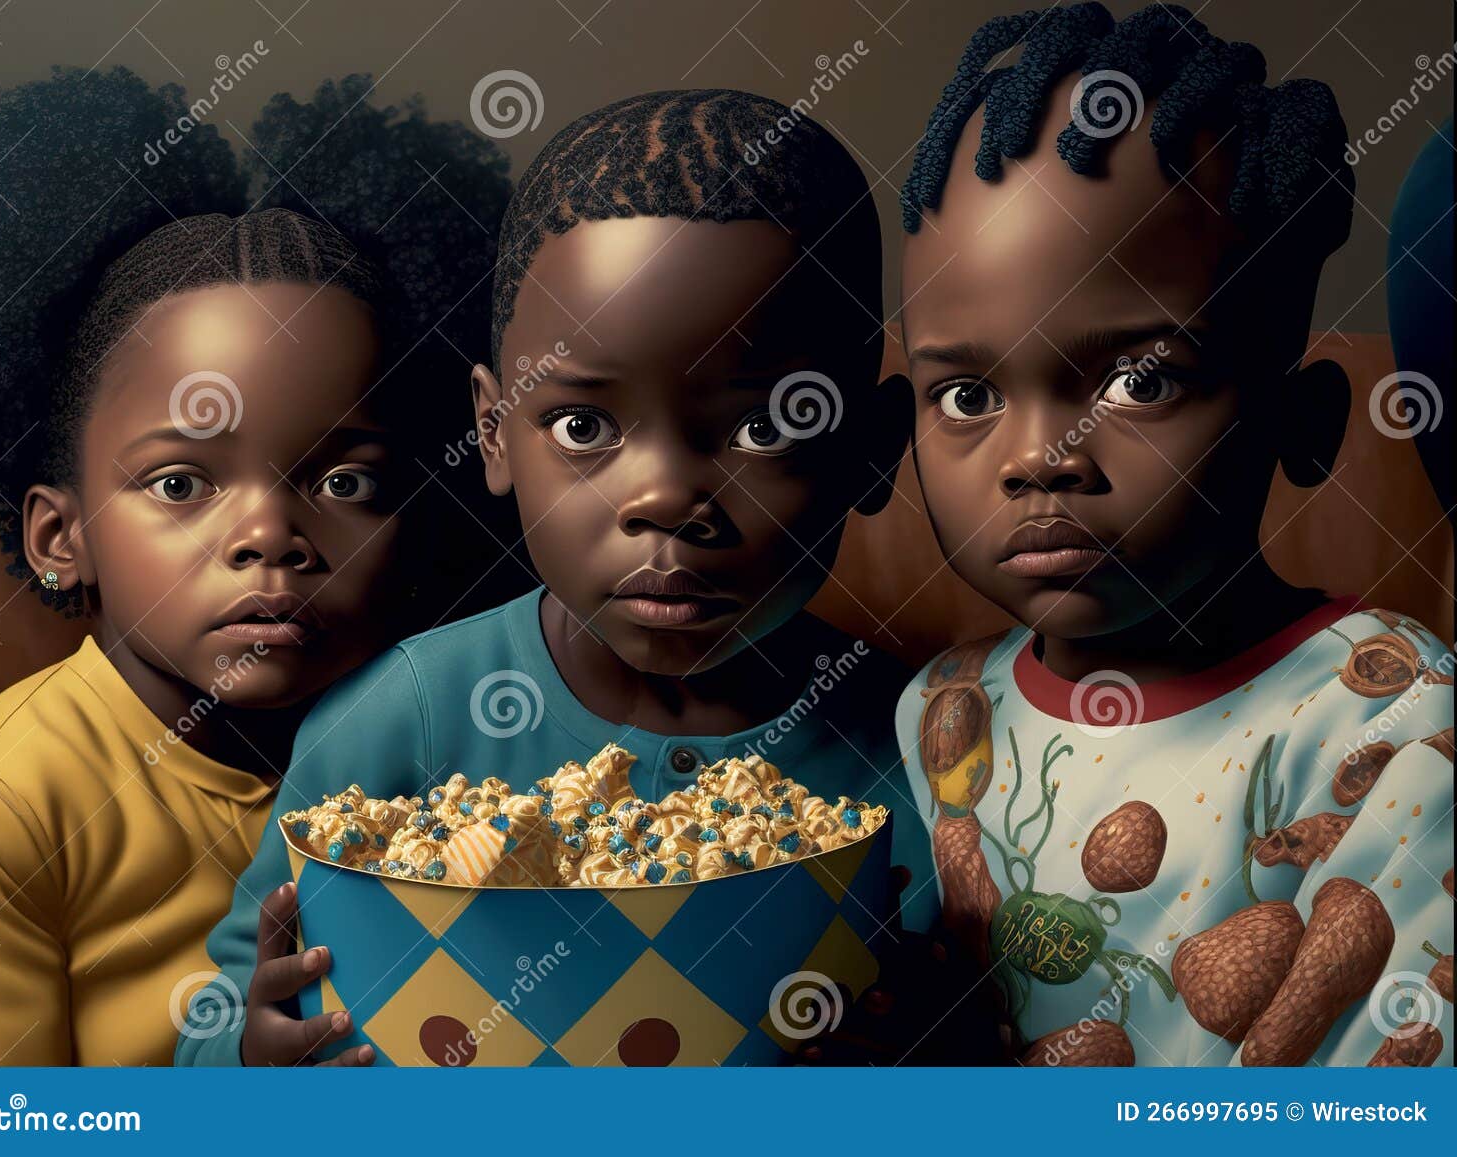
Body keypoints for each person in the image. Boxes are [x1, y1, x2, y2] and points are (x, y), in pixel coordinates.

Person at [181, 89, 995, 1068]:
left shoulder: (923, 749)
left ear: (869, 450)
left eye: (762, 427)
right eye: (583, 426)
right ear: (494, 432)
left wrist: (929, 1048)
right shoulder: (403, 720)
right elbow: (228, 1002)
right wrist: (253, 1051)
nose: (663, 499)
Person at [0, 69, 517, 1065]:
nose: (269, 534)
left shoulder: (477, 756)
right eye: (178, 483)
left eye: (344, 481)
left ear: (419, 523)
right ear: (58, 536)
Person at [892, 3, 1453, 1066]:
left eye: (1139, 380)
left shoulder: (1389, 723)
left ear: (1304, 422)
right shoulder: (939, 715)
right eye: (966, 394)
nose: (1039, 455)